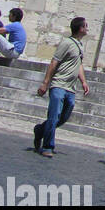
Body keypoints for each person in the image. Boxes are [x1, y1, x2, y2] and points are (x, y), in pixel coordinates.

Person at [33, 17, 89, 157]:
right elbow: (54, 62)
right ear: (80, 28)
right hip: (58, 84)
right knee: (54, 115)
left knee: (63, 117)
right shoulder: (66, 43)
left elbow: (79, 64)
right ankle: (47, 147)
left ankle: (40, 130)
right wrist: (46, 82)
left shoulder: (80, 45)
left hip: (71, 88)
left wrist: (83, 81)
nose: (87, 28)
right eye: (86, 26)